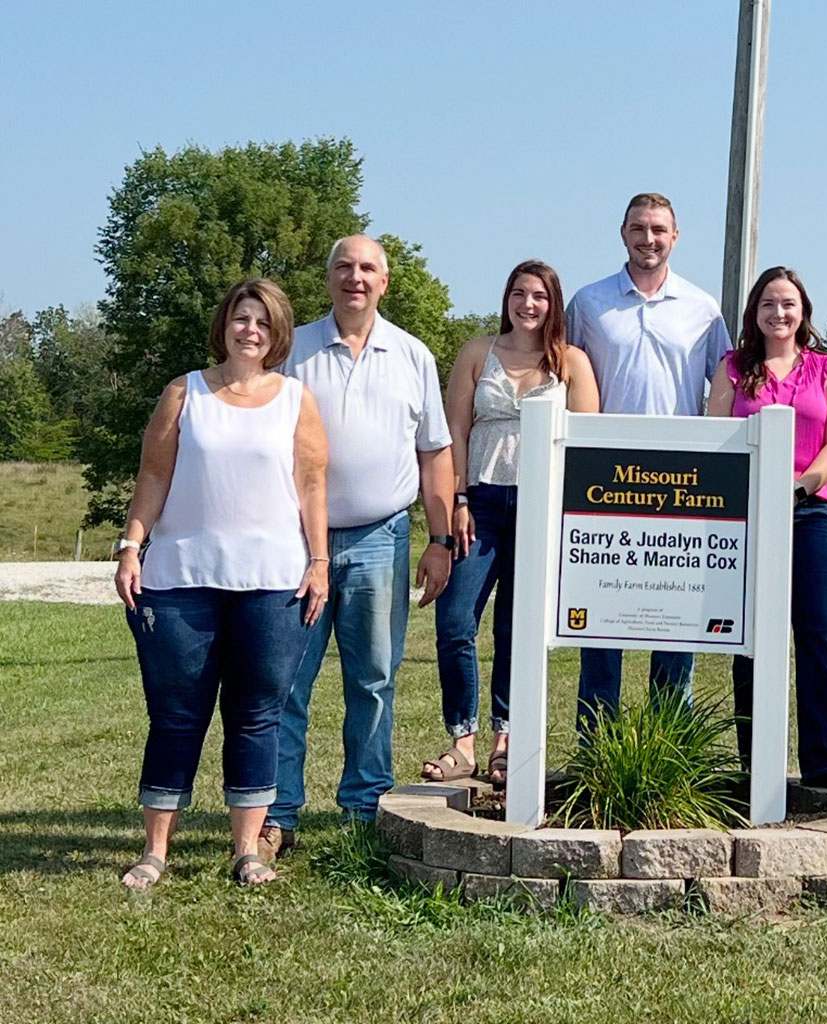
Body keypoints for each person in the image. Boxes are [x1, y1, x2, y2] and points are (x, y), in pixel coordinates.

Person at [115, 277, 328, 889]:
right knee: (175, 715)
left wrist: (319, 563)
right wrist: (132, 546)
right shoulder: (184, 393)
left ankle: (247, 851)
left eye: (263, 321)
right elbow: (153, 476)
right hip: (180, 579)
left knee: (257, 714)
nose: (250, 330)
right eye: (241, 318)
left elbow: (313, 486)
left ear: (277, 332)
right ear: (224, 325)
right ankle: (155, 851)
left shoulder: (296, 400)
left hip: (273, 583)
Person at [260, 234, 453, 860]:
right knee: (287, 681)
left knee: (373, 679)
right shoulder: (293, 351)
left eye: (368, 268)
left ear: (384, 282)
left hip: (383, 538)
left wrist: (441, 537)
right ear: (328, 279)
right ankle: (279, 811)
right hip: (298, 544)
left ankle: (364, 807)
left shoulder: (413, 355)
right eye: (343, 267)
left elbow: (434, 454)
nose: (355, 277)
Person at [423, 261, 599, 786]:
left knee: (515, 629)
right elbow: (453, 429)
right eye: (519, 293)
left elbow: (585, 446)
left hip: (541, 507)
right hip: (480, 503)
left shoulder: (572, 362)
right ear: (506, 299)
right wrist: (457, 498)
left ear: (554, 304)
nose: (528, 304)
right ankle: (462, 742)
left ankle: (507, 740)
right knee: (455, 623)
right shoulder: (479, 353)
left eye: (539, 296)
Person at [567, 192, 733, 731]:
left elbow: (728, 385)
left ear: (675, 236)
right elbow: (561, 374)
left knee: (676, 621)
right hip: (603, 481)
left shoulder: (703, 309)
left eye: (659, 229)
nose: (648, 239)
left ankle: (668, 748)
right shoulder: (589, 303)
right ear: (622, 233)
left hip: (681, 481)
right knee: (599, 618)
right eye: (639, 228)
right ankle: (597, 746)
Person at [707, 267, 827, 790]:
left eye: (789, 304)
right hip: (747, 515)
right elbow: (718, 437)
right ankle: (757, 760)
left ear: (804, 312)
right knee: (752, 637)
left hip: (809, 513)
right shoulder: (733, 368)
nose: (779, 313)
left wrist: (799, 486)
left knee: (818, 633)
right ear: (754, 313)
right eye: (769, 304)